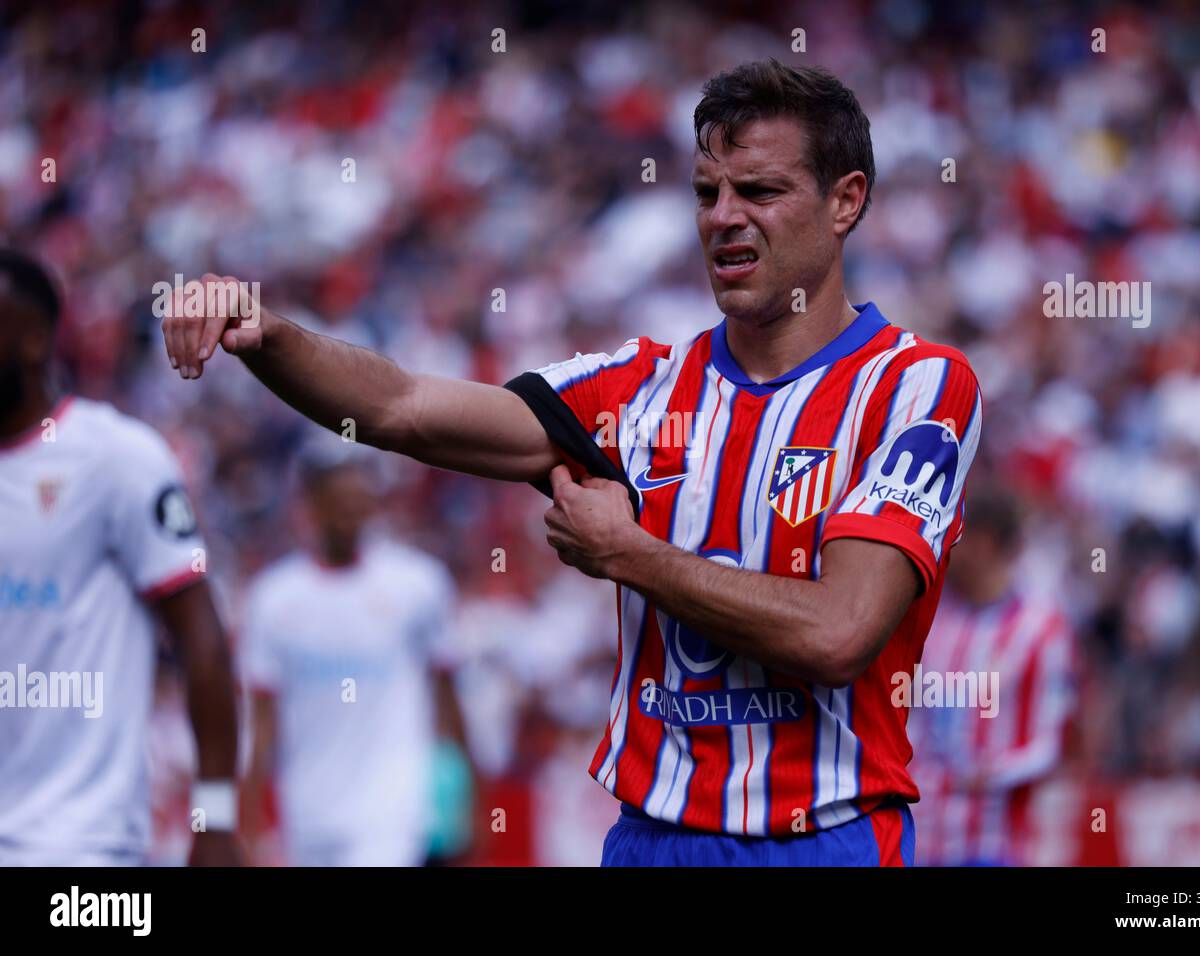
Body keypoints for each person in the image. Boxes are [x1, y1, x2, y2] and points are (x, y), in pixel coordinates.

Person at [163, 59, 983, 866]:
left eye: (760, 192)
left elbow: (839, 632)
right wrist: (269, 335)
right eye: (707, 193)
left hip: (823, 842)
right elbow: (400, 408)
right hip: (650, 841)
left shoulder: (915, 389)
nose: (724, 217)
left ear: (846, 202)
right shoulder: (640, 388)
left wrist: (632, 556)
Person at [0, 248, 243, 866]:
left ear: (32, 339)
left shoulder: (116, 458)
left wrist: (214, 818)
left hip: (76, 843)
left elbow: (201, 639)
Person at [240, 444, 471, 866]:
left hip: (391, 814)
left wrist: (466, 802)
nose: (349, 513)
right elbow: (261, 720)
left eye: (359, 501)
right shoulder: (273, 599)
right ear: (309, 505)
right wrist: (248, 823)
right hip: (307, 814)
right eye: (337, 502)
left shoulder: (417, 584)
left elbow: (447, 697)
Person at [907, 492, 1076, 866]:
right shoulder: (933, 619)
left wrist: (987, 774)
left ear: (988, 543)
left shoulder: (1041, 630)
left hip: (992, 843)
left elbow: (1049, 746)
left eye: (960, 539)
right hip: (920, 838)